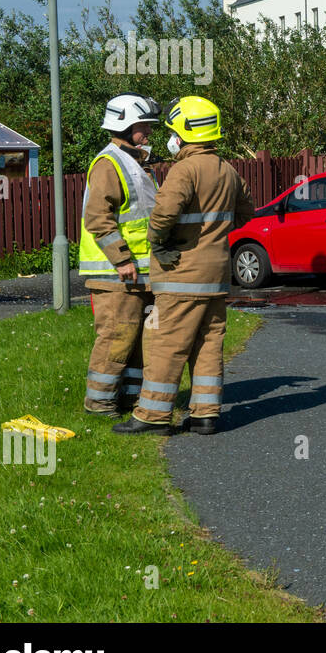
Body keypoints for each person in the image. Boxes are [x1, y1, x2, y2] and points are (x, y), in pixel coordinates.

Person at [114, 96, 254, 436]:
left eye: (173, 131)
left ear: (183, 134)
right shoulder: (227, 170)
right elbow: (247, 212)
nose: (170, 138)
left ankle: (152, 415)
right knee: (208, 343)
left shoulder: (184, 169)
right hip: (217, 276)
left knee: (165, 342)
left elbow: (163, 215)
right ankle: (206, 414)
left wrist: (158, 242)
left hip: (181, 276)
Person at [77, 94, 162, 417]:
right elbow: (98, 218)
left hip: (138, 272)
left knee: (137, 342)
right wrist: (122, 258)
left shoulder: (134, 162)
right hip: (116, 273)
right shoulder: (108, 163)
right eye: (143, 126)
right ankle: (98, 402)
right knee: (116, 338)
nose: (148, 132)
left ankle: (128, 398)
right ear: (124, 126)